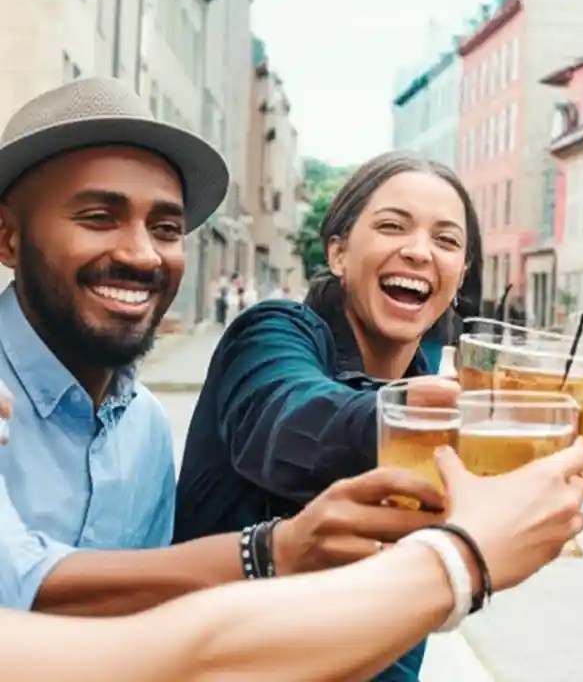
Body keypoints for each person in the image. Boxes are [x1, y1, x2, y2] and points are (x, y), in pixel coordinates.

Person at [0, 78, 442, 615]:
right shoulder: (275, 332)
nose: (142, 254)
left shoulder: (144, 426)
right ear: (8, 237)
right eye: (98, 218)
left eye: (166, 228)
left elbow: (139, 624)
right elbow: (15, 581)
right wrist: (270, 553)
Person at [0, 394, 583, 682]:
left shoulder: (143, 419)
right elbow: (177, 657)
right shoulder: (276, 329)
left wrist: (279, 550)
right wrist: (460, 559)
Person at [175, 151, 484, 681]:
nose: (419, 251)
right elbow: (288, 421)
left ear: (460, 276)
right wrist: (410, 417)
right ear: (338, 253)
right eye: (392, 226)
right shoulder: (272, 332)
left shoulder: (428, 373)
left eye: (446, 240)